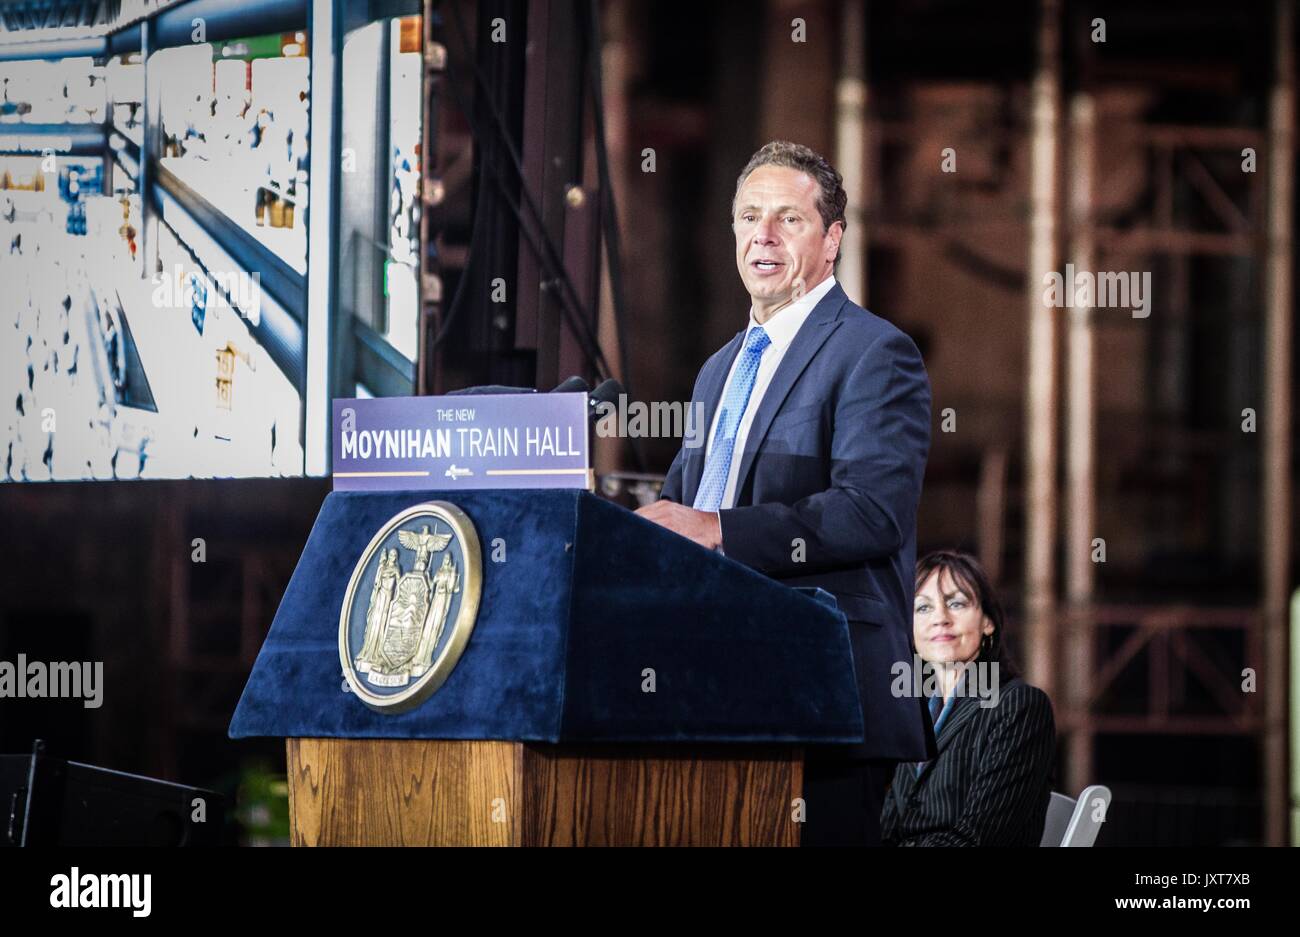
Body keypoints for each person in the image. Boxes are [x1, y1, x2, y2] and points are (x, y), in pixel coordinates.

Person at [637, 140, 933, 845]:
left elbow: (872, 511)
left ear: (831, 238)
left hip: (822, 697)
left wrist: (719, 530)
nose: (761, 236)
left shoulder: (873, 352)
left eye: (786, 219)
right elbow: (683, 510)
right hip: (706, 692)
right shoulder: (717, 370)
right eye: (747, 217)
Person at [881, 549, 1056, 846]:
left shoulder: (1019, 706)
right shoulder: (913, 709)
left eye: (957, 603)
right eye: (923, 608)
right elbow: (887, 828)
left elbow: (978, 838)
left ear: (987, 622)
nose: (940, 618)